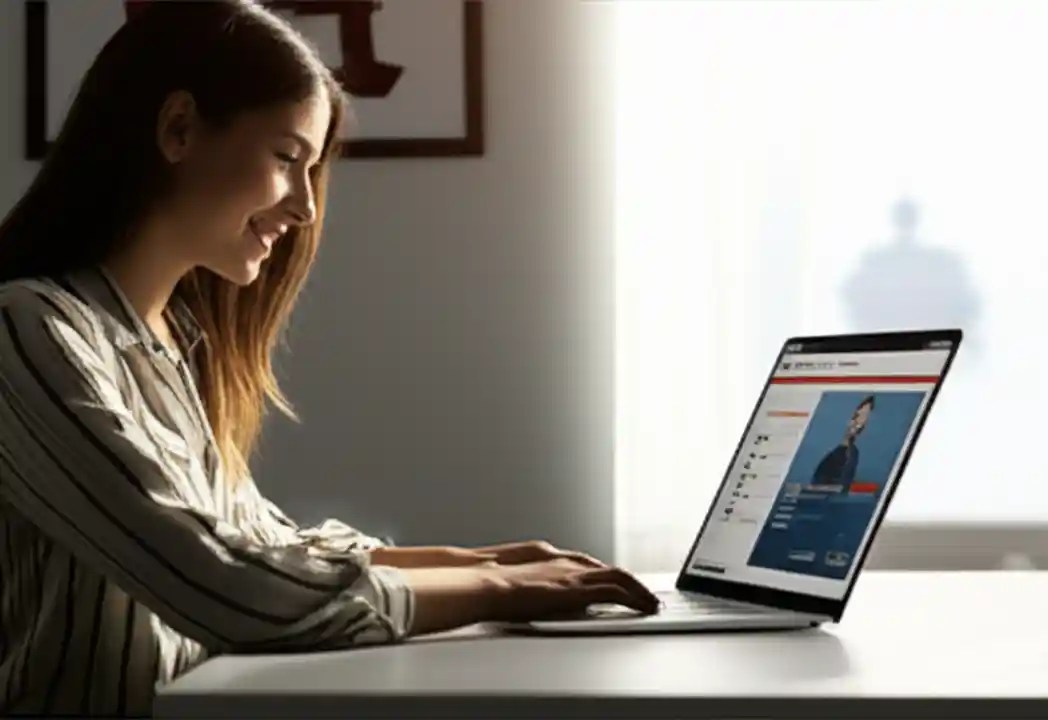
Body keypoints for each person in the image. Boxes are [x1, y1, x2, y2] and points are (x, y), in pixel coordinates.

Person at [0, 2, 657, 715]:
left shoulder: (167, 343)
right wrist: (495, 592)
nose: (306, 210)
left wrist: (481, 563)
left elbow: (256, 544)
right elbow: (224, 583)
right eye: (287, 159)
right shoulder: (26, 332)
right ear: (179, 127)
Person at [811, 396, 875, 487]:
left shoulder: (852, 454)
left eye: (863, 421)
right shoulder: (827, 443)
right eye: (856, 417)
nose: (857, 424)